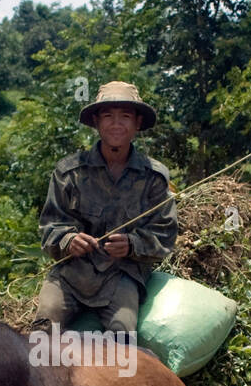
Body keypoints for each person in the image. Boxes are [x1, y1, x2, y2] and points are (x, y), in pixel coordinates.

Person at [33, 81, 177, 336]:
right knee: (42, 330)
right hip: (70, 275)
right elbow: (49, 226)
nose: (116, 123)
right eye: (108, 116)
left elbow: (165, 235)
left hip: (121, 275)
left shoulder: (154, 177)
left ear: (138, 124)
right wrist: (68, 240)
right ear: (97, 123)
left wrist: (132, 244)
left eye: (125, 117)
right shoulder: (69, 172)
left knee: (122, 336)